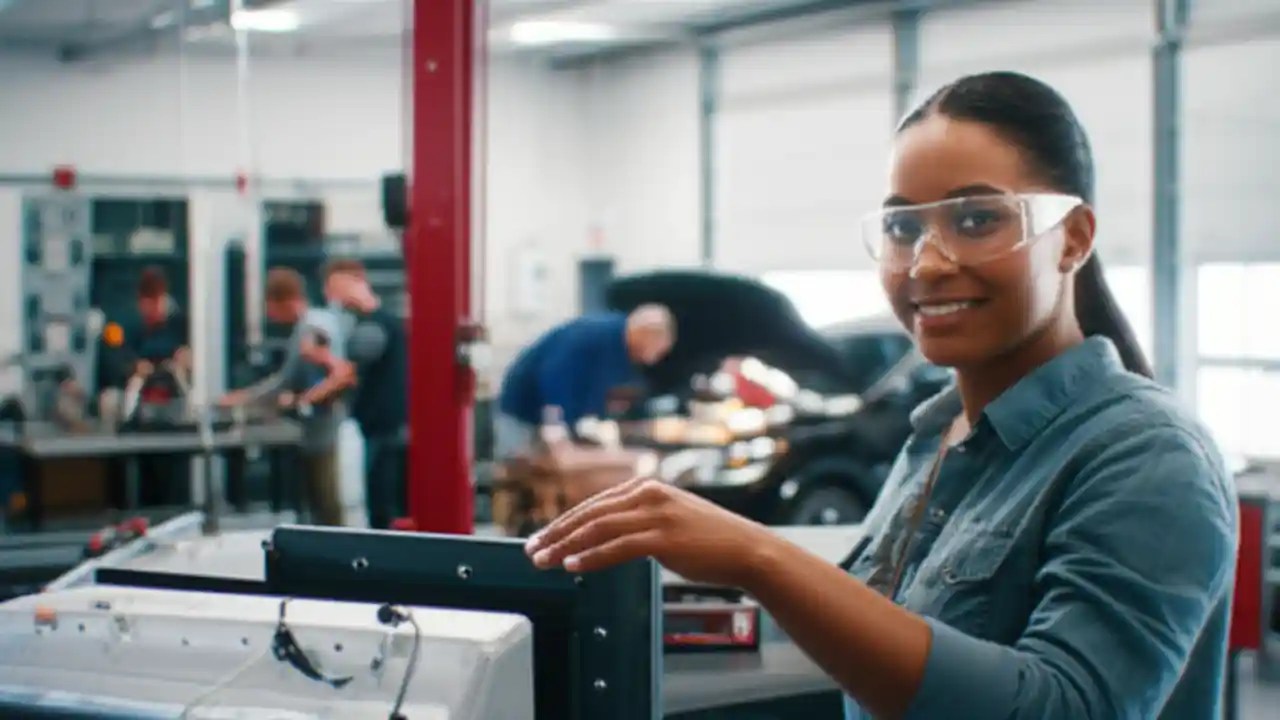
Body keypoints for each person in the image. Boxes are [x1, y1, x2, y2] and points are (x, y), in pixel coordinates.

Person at [524, 71, 1237, 720]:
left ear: (1073, 238)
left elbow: (1065, 708)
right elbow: (878, 650)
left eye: (977, 219)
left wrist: (758, 557)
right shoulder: (936, 437)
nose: (926, 263)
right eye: (902, 227)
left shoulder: (1148, 456)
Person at [220, 267, 349, 526]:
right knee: (318, 501)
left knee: (325, 499)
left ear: (285, 300)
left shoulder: (312, 328)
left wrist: (246, 398)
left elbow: (291, 380)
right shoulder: (313, 323)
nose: (270, 314)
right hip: (316, 426)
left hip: (321, 426)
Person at [495, 305, 676, 459]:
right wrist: (556, 428)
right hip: (521, 413)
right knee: (519, 476)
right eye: (658, 351)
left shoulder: (622, 349)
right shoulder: (596, 335)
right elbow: (555, 375)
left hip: (553, 418)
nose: (653, 360)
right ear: (647, 334)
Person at [322, 258, 408, 529]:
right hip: (384, 422)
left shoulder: (373, 327)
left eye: (336, 288)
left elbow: (347, 373)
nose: (332, 297)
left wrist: (311, 393)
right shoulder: (385, 323)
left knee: (380, 496)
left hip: (382, 424)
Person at [101, 266, 191, 507]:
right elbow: (113, 357)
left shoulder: (178, 322)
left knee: (171, 473)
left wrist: (183, 359)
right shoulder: (120, 323)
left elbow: (187, 352)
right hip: (133, 410)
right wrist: (133, 367)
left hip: (170, 411)